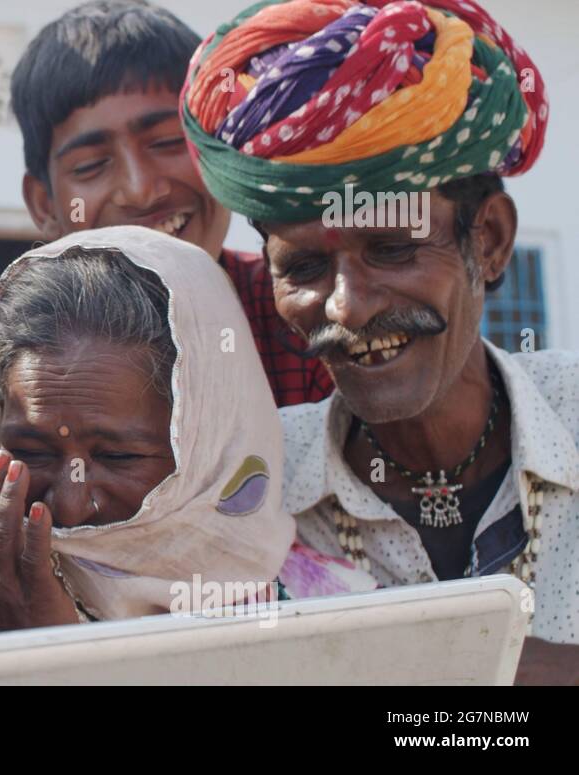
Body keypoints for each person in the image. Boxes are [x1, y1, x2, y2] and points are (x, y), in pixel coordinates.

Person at [182, 0, 578, 683]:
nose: (346, 305)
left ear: (488, 241)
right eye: (303, 268)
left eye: (392, 249)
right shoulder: (248, 496)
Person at [0, 226, 373, 633]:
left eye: (118, 458)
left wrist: (44, 652)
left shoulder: (330, 616)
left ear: (208, 449)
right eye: (32, 453)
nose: (72, 505)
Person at [11, 0, 333, 407]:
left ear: (217, 147)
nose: (141, 189)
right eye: (92, 165)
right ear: (44, 205)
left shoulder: (301, 313)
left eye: (167, 142)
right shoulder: (12, 348)